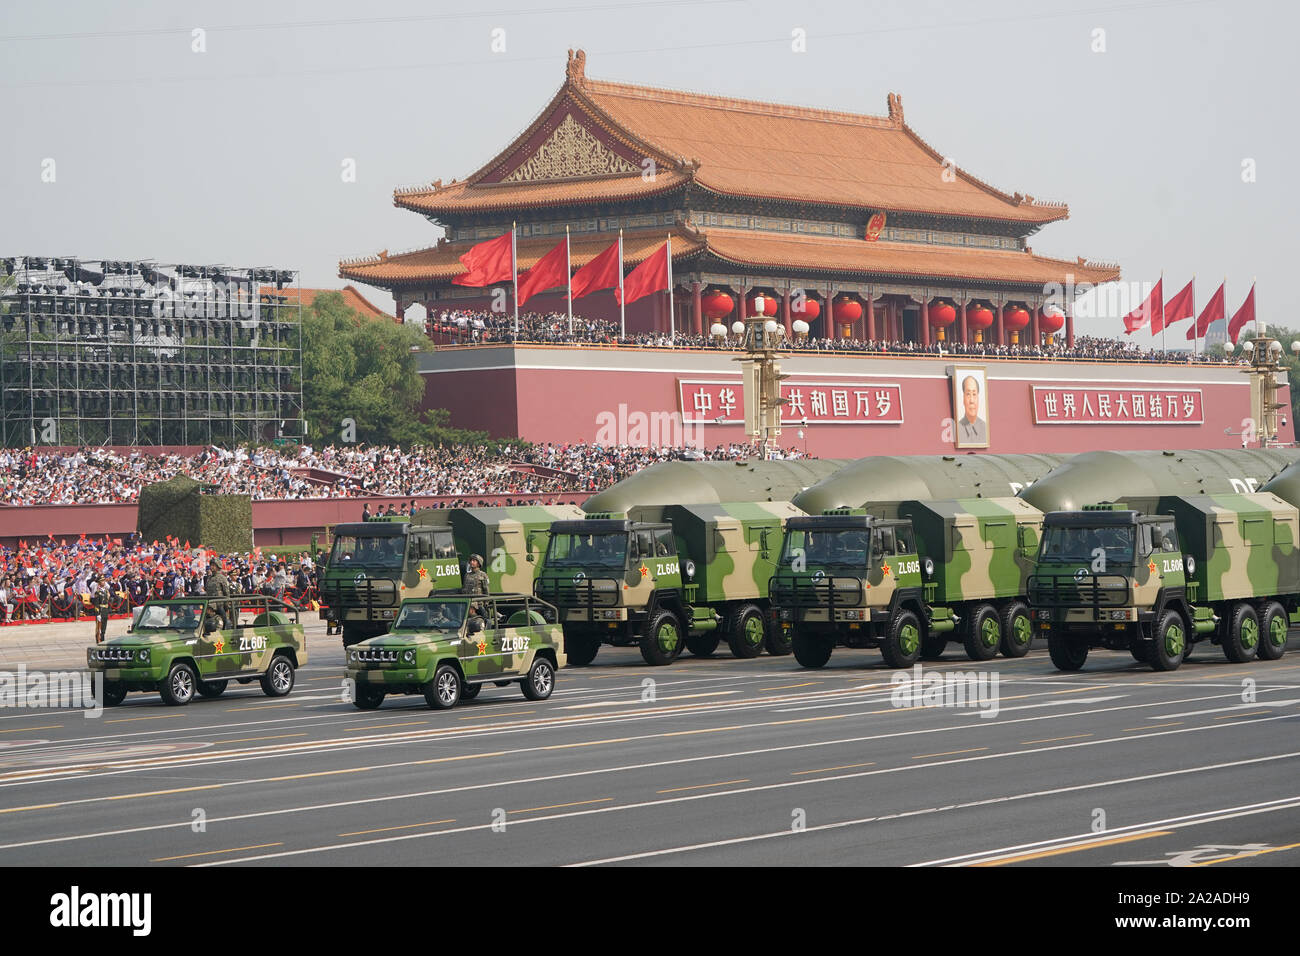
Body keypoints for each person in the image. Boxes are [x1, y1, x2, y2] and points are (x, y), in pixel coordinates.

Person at [958, 374, 988, 445]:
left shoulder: (986, 428)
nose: (971, 400)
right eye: (968, 394)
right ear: (963, 398)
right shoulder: (957, 429)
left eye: (974, 394)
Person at [204, 558, 233, 629]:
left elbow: (226, 592)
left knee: (225, 621)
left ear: (218, 566)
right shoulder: (209, 578)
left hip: (219, 604)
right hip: (210, 604)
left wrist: (226, 605)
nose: (212, 567)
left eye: (214, 565)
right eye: (211, 565)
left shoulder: (222, 578)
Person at [91, 575, 110, 644]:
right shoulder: (97, 592)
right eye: (102, 581)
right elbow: (96, 604)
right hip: (100, 610)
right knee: (98, 627)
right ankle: (98, 639)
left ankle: (103, 638)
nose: (103, 582)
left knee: (104, 626)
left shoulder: (106, 591)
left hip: (105, 610)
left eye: (104, 581)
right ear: (99, 582)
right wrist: (98, 614)